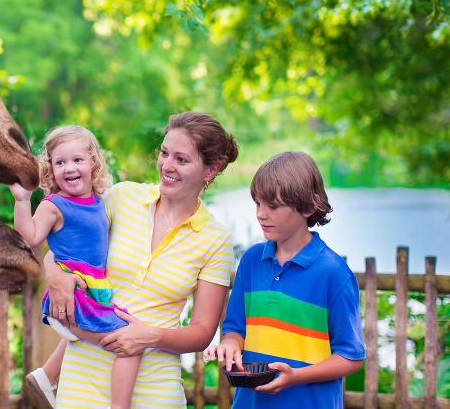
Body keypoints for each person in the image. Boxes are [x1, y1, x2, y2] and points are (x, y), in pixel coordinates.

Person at [43, 111, 239, 407]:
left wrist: (149, 337)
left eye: (181, 159)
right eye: (164, 153)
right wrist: (53, 273)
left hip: (155, 387)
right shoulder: (122, 198)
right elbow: (69, 247)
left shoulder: (216, 239)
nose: (167, 166)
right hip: (82, 378)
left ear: (209, 170)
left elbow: (201, 332)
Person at [204, 151, 365, 408]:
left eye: (273, 206)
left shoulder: (333, 273)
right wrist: (229, 344)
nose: (261, 214)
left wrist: (296, 377)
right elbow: (235, 328)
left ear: (309, 207)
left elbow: (351, 356)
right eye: (257, 203)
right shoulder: (251, 261)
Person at [10, 125, 140, 409]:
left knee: (118, 328)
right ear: (51, 169)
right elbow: (30, 238)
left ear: (93, 162)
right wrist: (22, 200)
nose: (69, 168)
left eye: (77, 160)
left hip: (90, 292)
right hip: (73, 298)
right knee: (130, 344)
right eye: (60, 162)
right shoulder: (54, 205)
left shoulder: (97, 201)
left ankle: (45, 376)